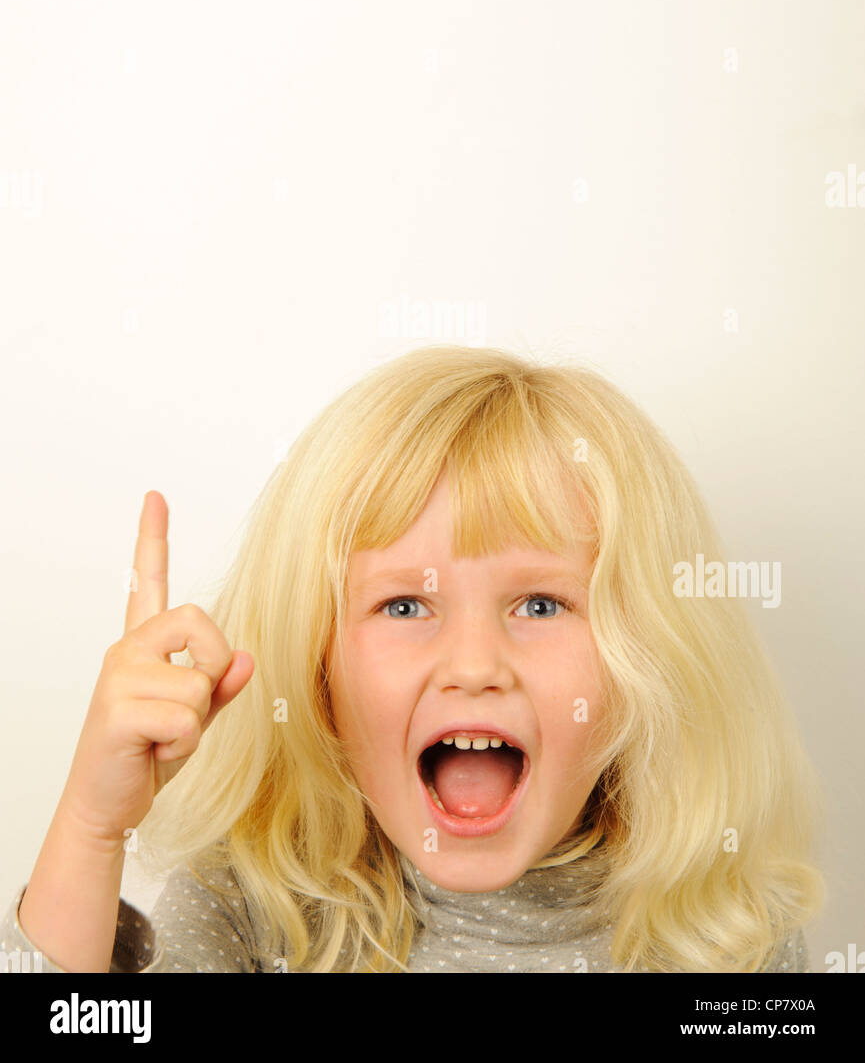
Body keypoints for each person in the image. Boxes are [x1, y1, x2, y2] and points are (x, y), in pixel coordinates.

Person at [1, 345, 823, 972]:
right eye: (404, 605)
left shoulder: (730, 946)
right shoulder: (258, 914)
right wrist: (91, 825)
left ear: (644, 661)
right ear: (317, 671)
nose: (474, 664)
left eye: (539, 605)